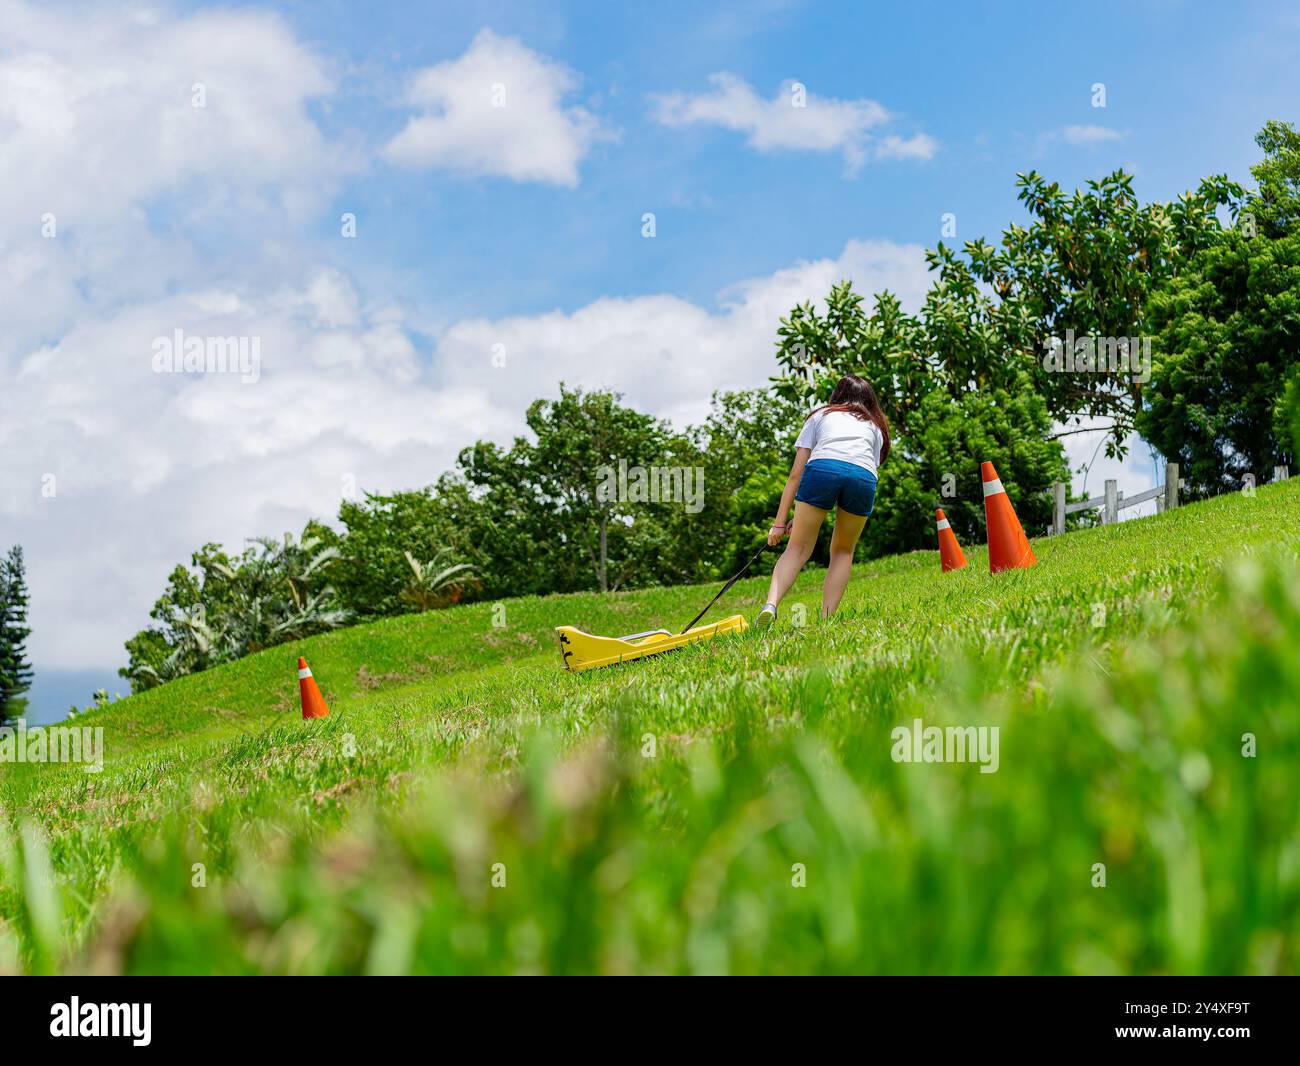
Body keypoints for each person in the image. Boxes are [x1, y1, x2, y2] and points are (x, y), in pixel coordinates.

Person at [756, 374, 890, 626]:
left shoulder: (821, 415)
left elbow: (795, 475)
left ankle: (770, 605)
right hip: (863, 477)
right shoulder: (874, 427)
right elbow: (861, 468)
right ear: (868, 400)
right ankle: (826, 619)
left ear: (837, 395)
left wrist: (779, 523)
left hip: (823, 468)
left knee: (797, 549)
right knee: (842, 551)